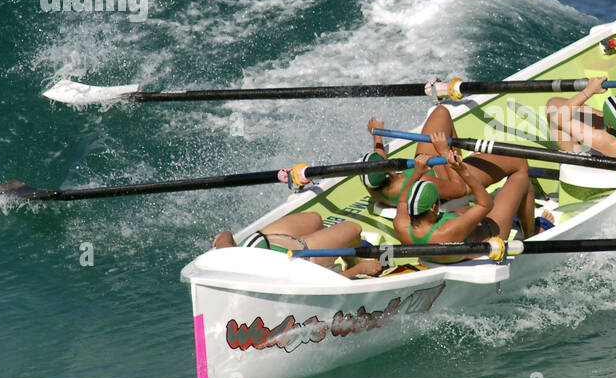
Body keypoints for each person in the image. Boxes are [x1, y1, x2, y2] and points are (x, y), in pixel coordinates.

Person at [364, 107, 543, 237]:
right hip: (454, 179)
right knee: (519, 161)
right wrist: (445, 154)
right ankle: (530, 231)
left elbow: (379, 159)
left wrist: (377, 135)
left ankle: (457, 156)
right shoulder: (420, 181)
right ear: (388, 174)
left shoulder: (374, 187)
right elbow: (458, 187)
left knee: (441, 112)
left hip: (431, 166)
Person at [394, 133, 534, 263]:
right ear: (434, 207)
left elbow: (402, 200)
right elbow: (486, 204)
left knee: (462, 209)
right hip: (491, 233)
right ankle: (531, 235)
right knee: (521, 178)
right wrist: (462, 171)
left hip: (443, 254)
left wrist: (416, 173)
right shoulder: (447, 230)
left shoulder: (401, 226)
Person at [211, 214, 383, 278]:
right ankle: (351, 258)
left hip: (268, 239)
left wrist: (224, 233)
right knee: (354, 229)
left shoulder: (230, 257)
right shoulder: (281, 279)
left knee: (315, 219)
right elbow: (323, 285)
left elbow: (224, 238)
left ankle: (330, 240)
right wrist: (360, 268)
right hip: (303, 254)